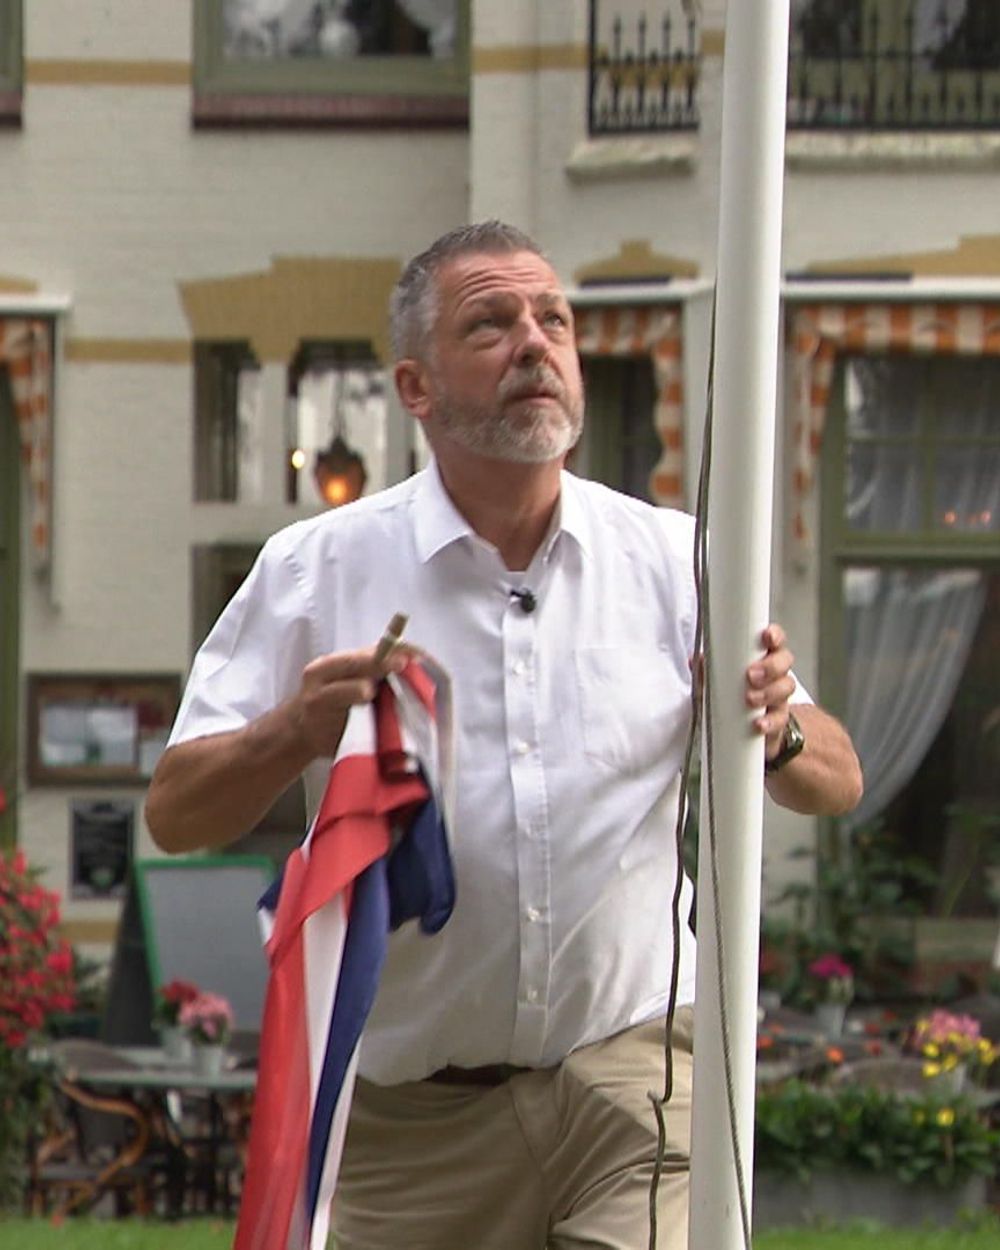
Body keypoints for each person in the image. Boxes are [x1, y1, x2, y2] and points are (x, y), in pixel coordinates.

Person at [146, 220, 862, 1249]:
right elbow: (175, 813)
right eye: (491, 324)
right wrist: (293, 731)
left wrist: (776, 728)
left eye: (553, 320)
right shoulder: (318, 569)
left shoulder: (676, 561)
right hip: (414, 1116)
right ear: (415, 385)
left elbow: (836, 777)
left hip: (634, 1082)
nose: (535, 343)